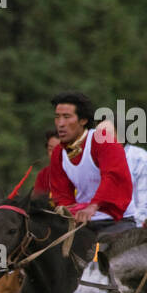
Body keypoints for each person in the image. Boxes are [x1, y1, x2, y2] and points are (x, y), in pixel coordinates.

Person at [46, 91, 135, 257]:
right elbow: (61, 194)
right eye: (57, 117)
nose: (60, 123)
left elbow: (113, 177)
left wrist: (93, 207)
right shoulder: (59, 151)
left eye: (67, 117)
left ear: (83, 120)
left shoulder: (103, 140)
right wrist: (67, 211)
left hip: (114, 222)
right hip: (81, 224)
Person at [30, 128, 61, 200]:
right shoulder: (43, 175)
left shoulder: (80, 171)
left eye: (58, 149)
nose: (53, 153)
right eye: (50, 149)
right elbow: (37, 202)